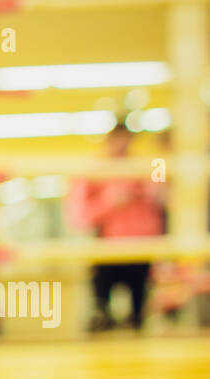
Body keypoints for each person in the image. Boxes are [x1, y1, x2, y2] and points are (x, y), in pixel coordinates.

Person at [71, 122, 165, 330]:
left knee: (139, 315)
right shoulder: (94, 170)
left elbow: (164, 202)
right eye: (117, 139)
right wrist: (109, 201)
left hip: (142, 250)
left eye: (127, 139)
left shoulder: (147, 167)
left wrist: (150, 193)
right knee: (102, 313)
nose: (122, 145)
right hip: (107, 251)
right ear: (109, 140)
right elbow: (78, 216)